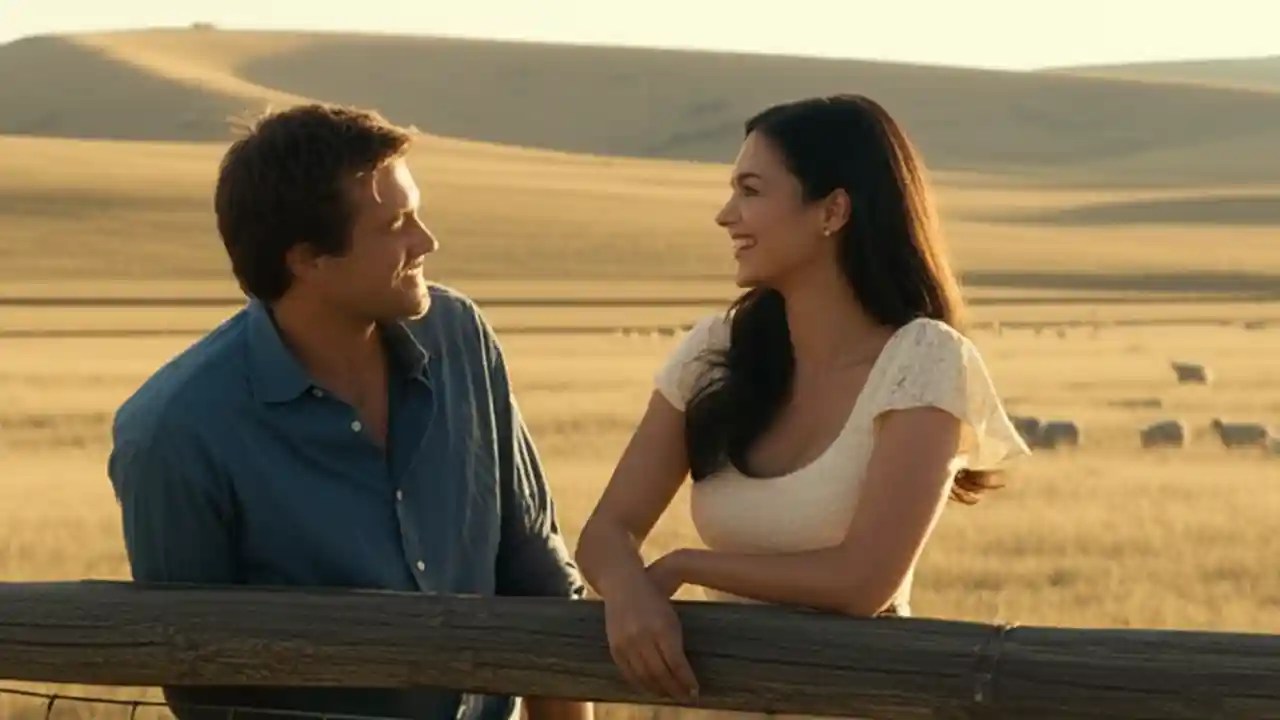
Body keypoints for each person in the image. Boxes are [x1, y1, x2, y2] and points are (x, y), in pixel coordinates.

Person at [107, 103, 591, 720]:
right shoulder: (175, 431)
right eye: (397, 225)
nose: (426, 242)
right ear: (307, 259)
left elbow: (539, 579)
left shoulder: (460, 337)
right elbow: (202, 683)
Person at [573, 94, 1032, 702]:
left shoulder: (922, 361)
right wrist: (629, 594)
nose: (725, 215)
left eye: (751, 191)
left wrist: (689, 565)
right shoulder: (716, 352)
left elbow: (863, 580)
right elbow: (608, 529)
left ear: (833, 211)